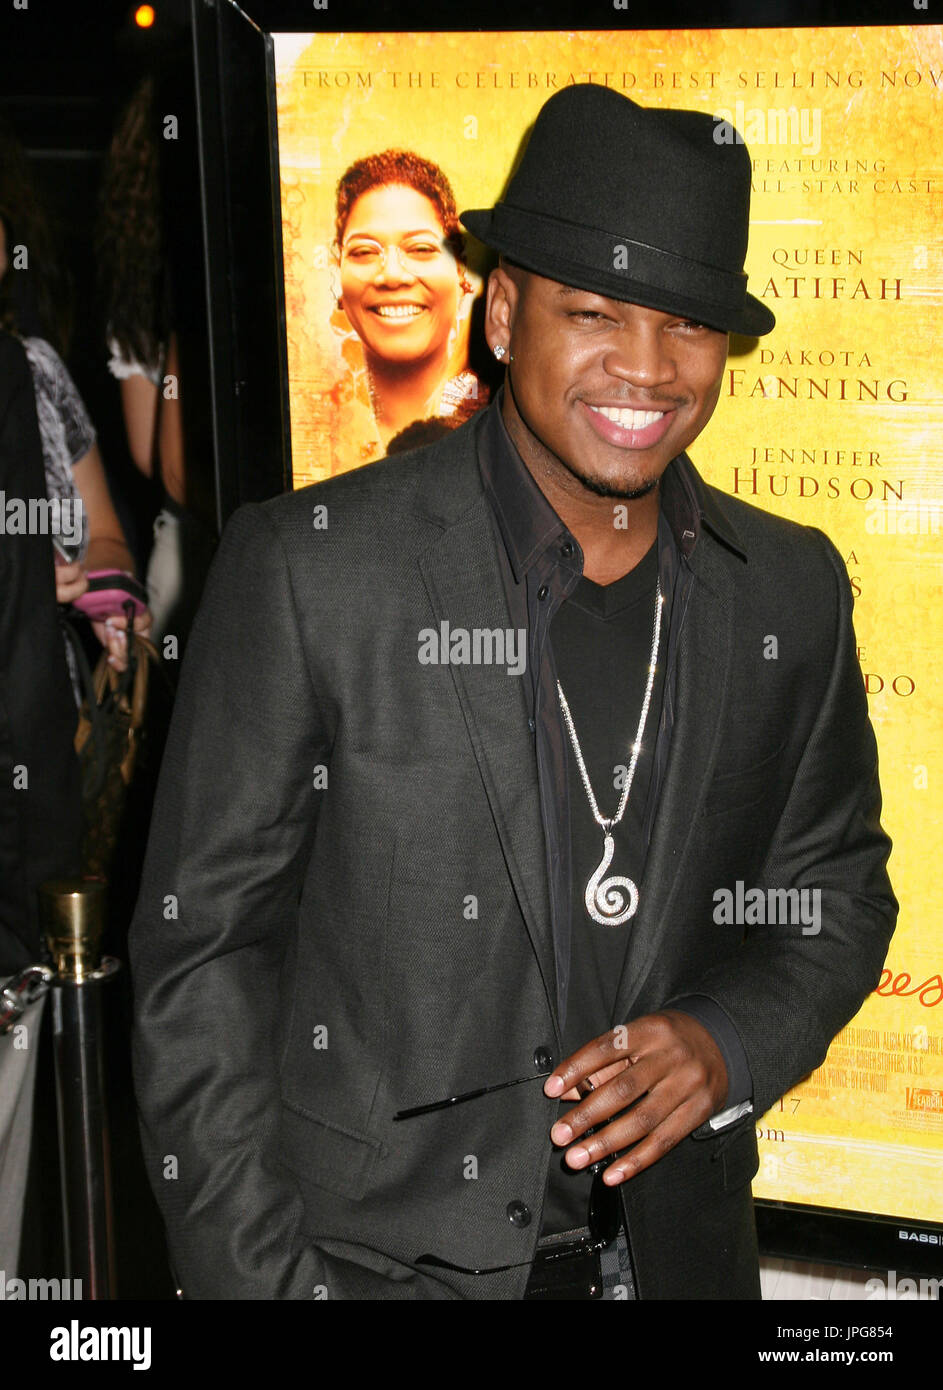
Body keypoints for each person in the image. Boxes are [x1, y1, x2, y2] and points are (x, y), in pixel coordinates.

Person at [129, 85, 896, 1299]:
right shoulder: (312, 567)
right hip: (373, 1269)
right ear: (501, 311)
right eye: (593, 311)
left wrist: (728, 1040)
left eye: (687, 325)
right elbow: (202, 958)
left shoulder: (787, 589)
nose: (644, 369)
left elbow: (834, 894)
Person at [328, 149, 488, 467]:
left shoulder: (496, 433)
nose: (392, 275)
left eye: (420, 249)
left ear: (460, 271)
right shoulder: (316, 418)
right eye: (364, 251)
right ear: (337, 270)